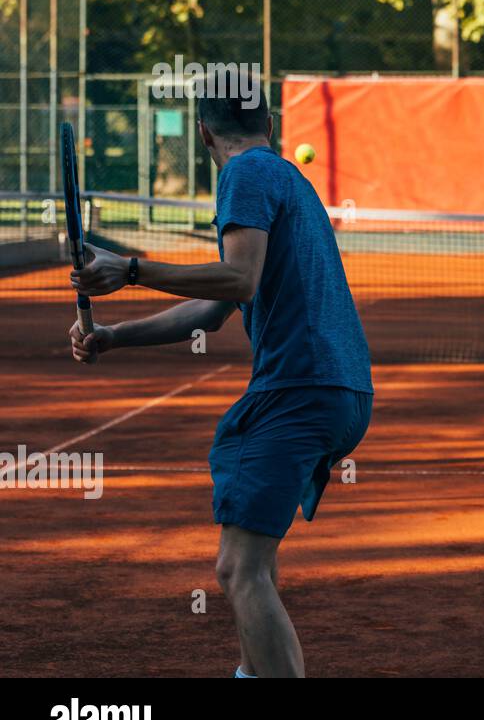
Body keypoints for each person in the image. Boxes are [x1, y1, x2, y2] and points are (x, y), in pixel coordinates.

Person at [67, 73, 373, 679]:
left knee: (238, 570)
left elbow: (238, 280)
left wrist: (129, 269)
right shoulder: (289, 177)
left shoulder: (246, 174)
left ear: (203, 133)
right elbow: (214, 308)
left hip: (299, 391)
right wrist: (115, 335)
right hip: (336, 390)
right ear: (272, 124)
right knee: (255, 559)